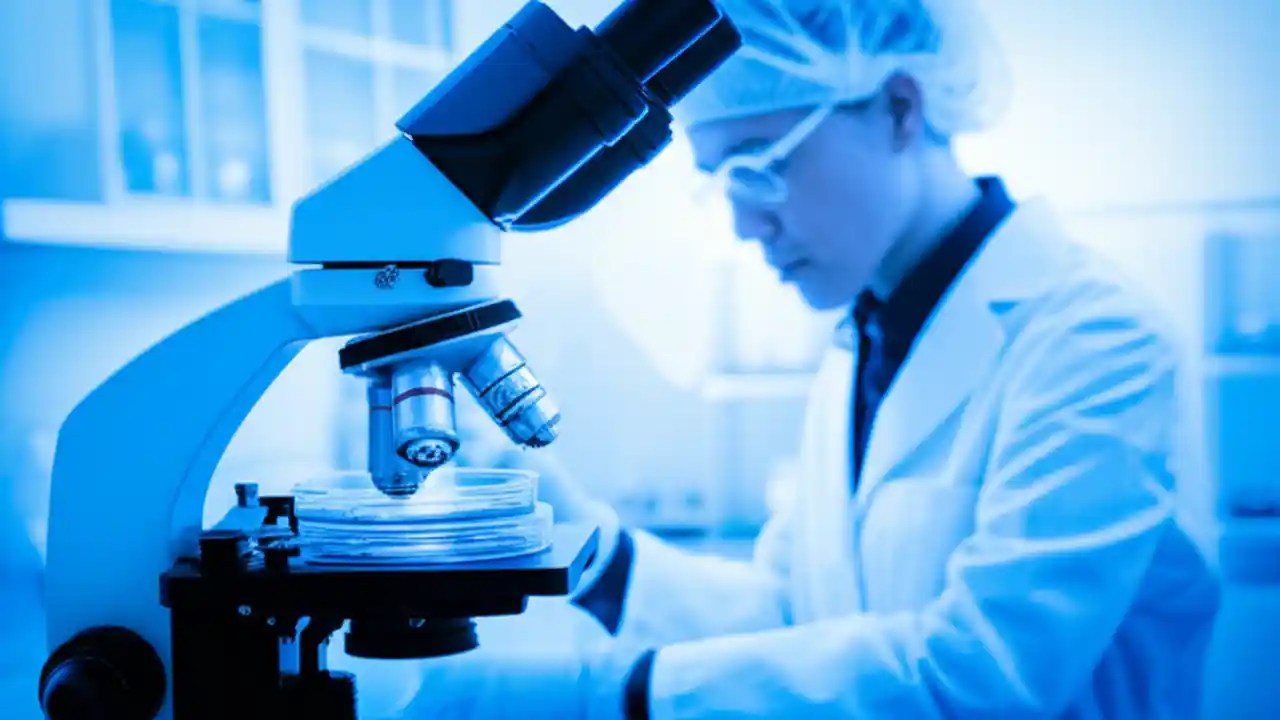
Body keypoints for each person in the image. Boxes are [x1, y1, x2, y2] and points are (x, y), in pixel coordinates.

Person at [406, 0, 1220, 717]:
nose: (744, 225)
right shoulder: (864, 339)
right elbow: (797, 619)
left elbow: (982, 674)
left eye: (761, 166)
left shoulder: (1094, 339)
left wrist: (607, 695)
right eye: (722, 181)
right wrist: (595, 550)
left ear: (900, 108)